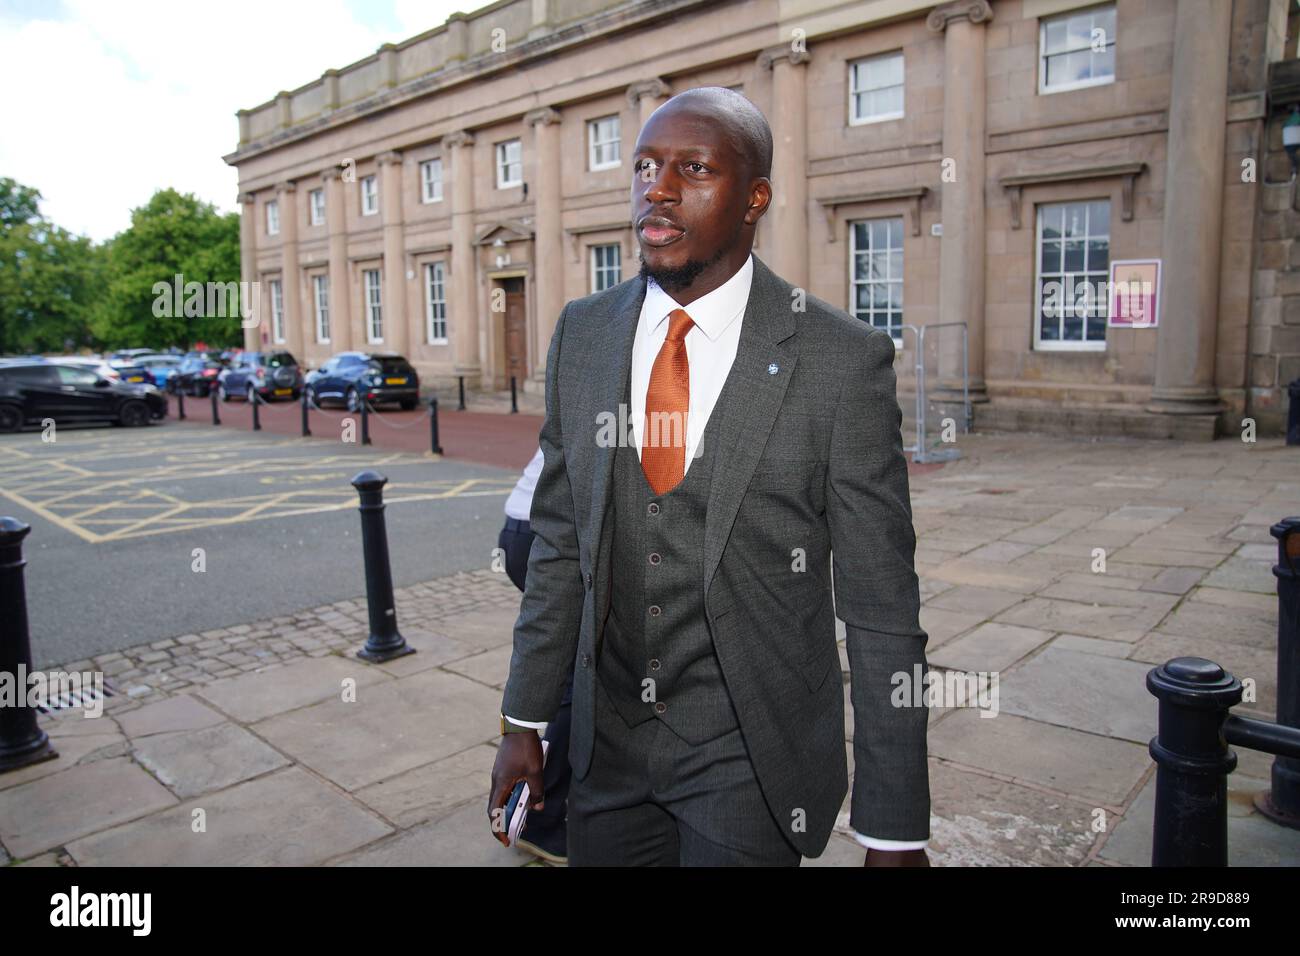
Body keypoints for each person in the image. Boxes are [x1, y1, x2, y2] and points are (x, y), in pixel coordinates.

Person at [488, 86, 930, 866]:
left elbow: (881, 604)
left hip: (750, 756)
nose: (657, 190)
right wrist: (525, 724)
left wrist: (893, 826)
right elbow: (558, 546)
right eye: (646, 167)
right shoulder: (583, 336)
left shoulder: (839, 361)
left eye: (692, 169)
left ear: (754, 197)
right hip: (606, 749)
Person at [495, 446, 572, 864]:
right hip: (537, 536)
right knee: (572, 686)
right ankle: (541, 823)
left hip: (520, 529)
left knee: (574, 672)